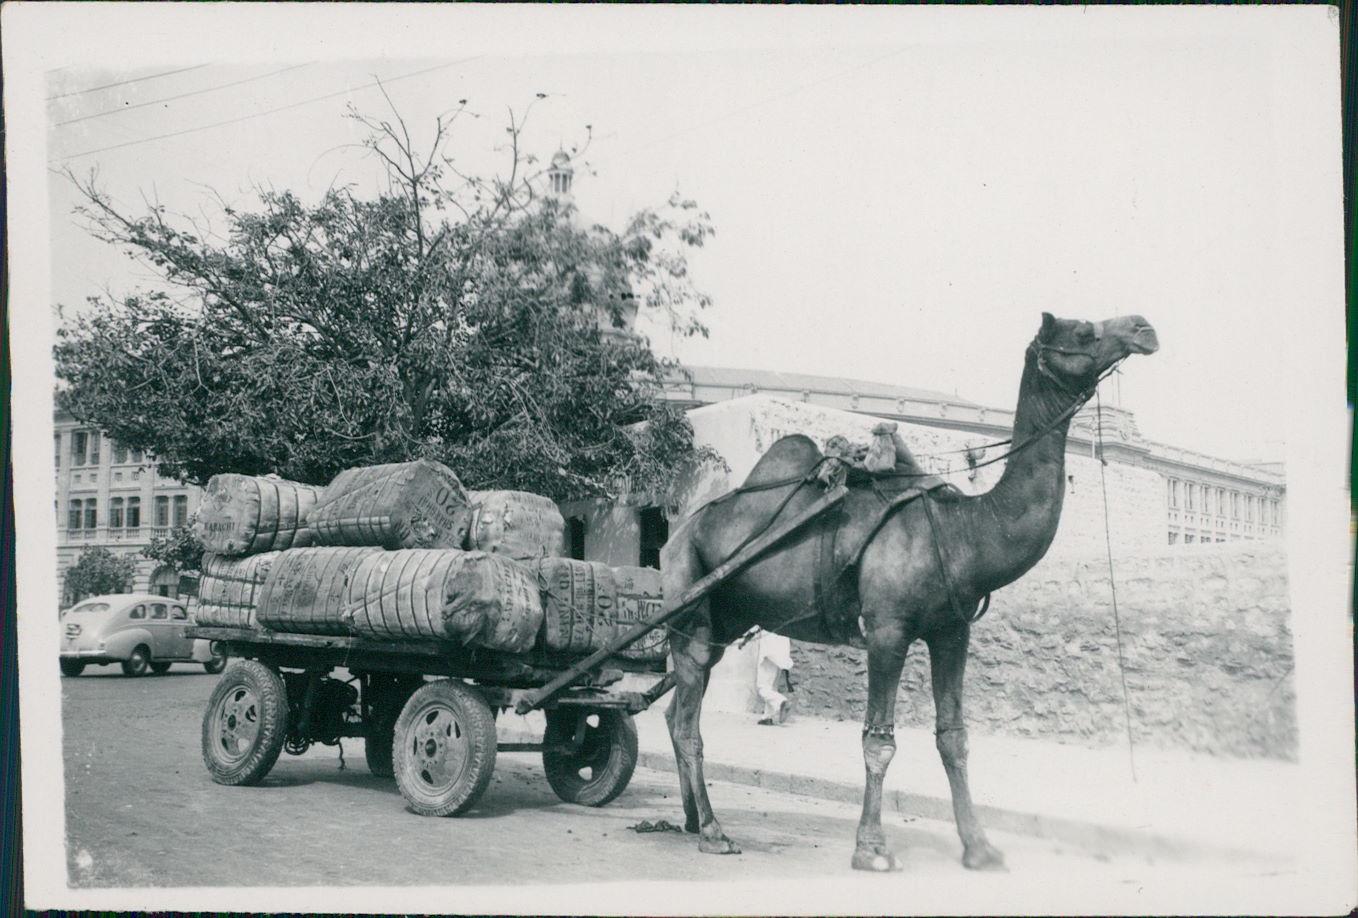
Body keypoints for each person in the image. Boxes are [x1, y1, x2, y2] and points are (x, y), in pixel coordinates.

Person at [755, 630, 794, 725]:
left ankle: (781, 701)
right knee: (772, 687)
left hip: (769, 649)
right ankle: (767, 717)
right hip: (781, 652)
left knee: (762, 687)